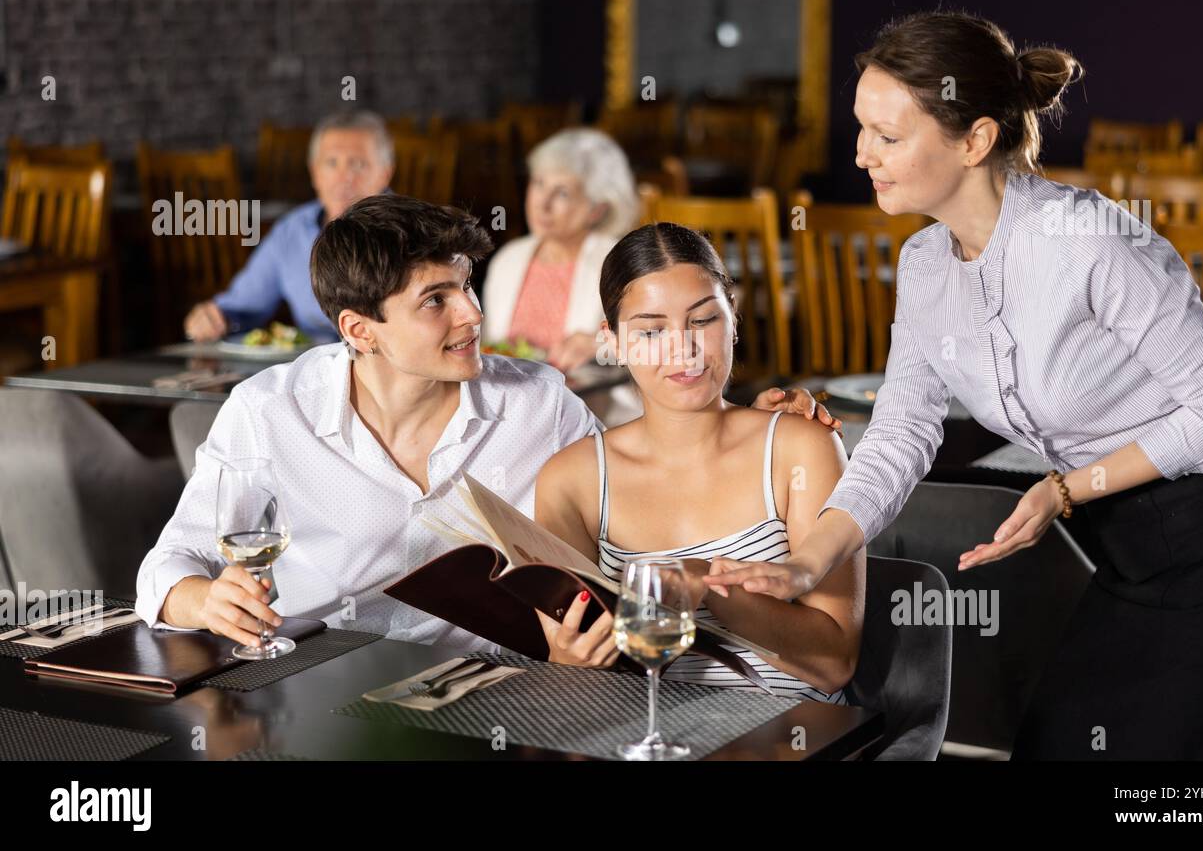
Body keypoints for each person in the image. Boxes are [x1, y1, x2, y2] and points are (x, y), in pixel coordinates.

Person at [706, 10, 1203, 759]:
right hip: (1129, 548)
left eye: (888, 137)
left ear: (976, 139)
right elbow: (903, 431)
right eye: (861, 129)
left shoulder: (1087, 241)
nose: (861, 155)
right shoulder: (923, 267)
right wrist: (806, 560)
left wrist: (1067, 488)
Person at [137, 194, 839, 651]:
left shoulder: (537, 402)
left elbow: (642, 493)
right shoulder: (269, 411)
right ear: (360, 328)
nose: (473, 314)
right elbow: (168, 566)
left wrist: (751, 427)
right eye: (436, 300)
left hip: (488, 697)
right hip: (314, 674)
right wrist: (205, 598)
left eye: (467, 285)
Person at [531, 222, 864, 702]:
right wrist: (569, 664)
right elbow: (577, 673)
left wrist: (707, 584)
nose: (682, 348)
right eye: (650, 329)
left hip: (789, 739)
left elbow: (834, 664)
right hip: (640, 735)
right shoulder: (570, 480)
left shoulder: (801, 447)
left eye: (703, 320)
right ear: (613, 342)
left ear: (735, 318)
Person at [182, 109, 395, 343]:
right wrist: (214, 318)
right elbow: (242, 307)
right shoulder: (292, 231)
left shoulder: (412, 232)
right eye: (331, 163)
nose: (343, 177)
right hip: (316, 370)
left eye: (357, 164)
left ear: (385, 173)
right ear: (314, 173)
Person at [481, 128, 640, 374]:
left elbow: (660, 347)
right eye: (538, 183)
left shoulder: (620, 264)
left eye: (562, 193)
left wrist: (601, 347)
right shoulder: (508, 258)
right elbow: (490, 349)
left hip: (592, 405)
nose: (542, 203)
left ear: (597, 208)